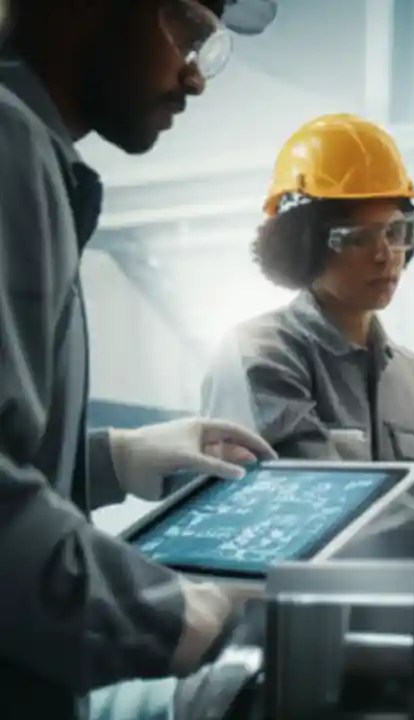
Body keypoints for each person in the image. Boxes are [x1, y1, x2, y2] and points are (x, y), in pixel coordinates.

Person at [0, 0, 277, 717]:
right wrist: (185, 615)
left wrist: (114, 457)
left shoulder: (36, 156)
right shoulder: (10, 146)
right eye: (187, 32)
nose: (195, 79)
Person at [201, 112, 414, 501]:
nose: (386, 256)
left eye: (396, 232)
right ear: (304, 247)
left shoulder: (412, 376)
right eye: (358, 239)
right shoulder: (260, 355)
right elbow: (312, 506)